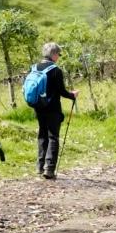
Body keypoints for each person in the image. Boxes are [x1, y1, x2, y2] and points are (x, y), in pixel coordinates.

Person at [29, 41, 77, 180]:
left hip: (38, 107)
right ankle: (49, 169)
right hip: (53, 109)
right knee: (53, 137)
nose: (59, 56)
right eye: (59, 54)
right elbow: (61, 91)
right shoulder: (55, 70)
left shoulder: (34, 68)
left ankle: (40, 165)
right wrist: (72, 95)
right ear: (54, 54)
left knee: (42, 135)